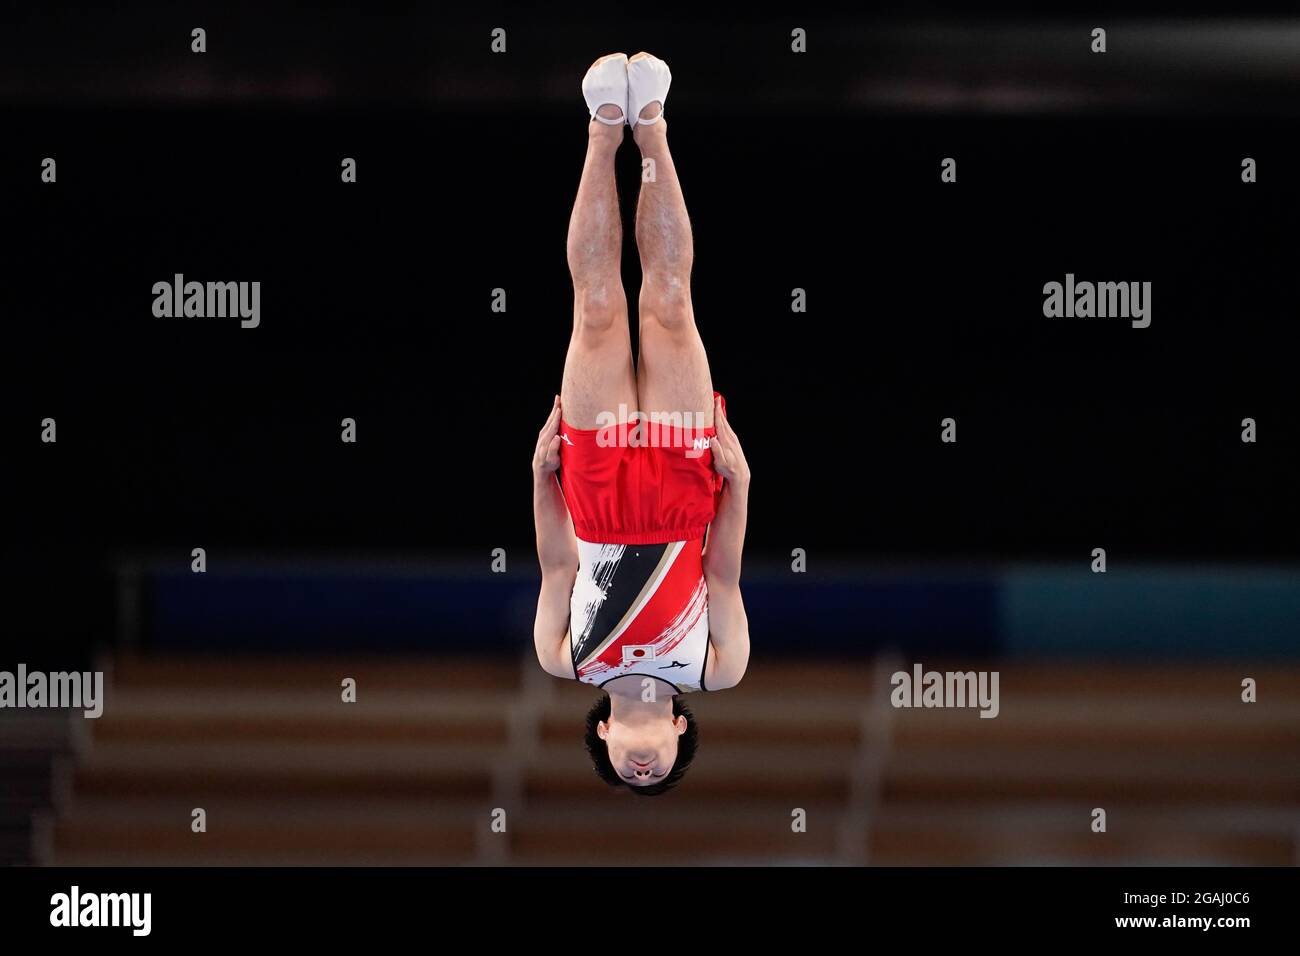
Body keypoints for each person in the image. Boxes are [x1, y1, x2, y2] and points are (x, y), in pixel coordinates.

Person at [531, 53, 752, 795]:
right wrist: (741, 485)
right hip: (686, 499)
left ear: (602, 734)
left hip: (593, 503)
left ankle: (602, 131)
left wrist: (541, 478)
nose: (644, 770)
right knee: (669, 303)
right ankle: (652, 130)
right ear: (681, 729)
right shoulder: (718, 668)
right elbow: (722, 572)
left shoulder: (566, 659)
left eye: (629, 774)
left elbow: (559, 565)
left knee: (595, 309)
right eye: (658, 774)